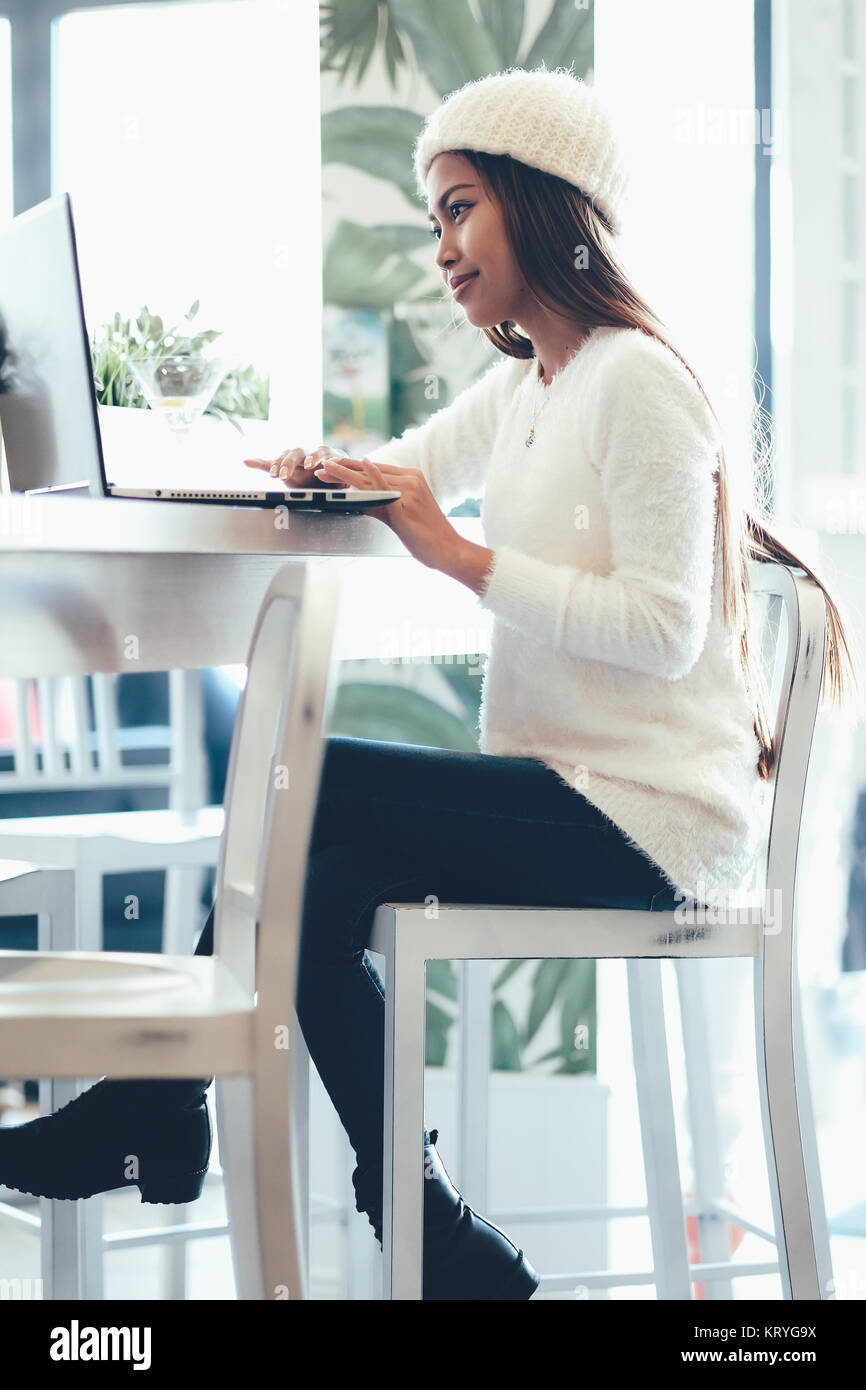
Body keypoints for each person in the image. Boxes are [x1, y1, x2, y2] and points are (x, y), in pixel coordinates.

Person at [0, 66, 859, 1301]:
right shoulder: (532, 381)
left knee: (310, 779)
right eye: (433, 220)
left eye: (459, 210)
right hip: (571, 791)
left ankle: (153, 1107)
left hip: (653, 824)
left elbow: (664, 630)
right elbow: (407, 464)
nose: (442, 248)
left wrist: (457, 556)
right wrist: (328, 465)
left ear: (540, 203)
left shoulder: (639, 380)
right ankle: (429, 1229)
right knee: (322, 876)